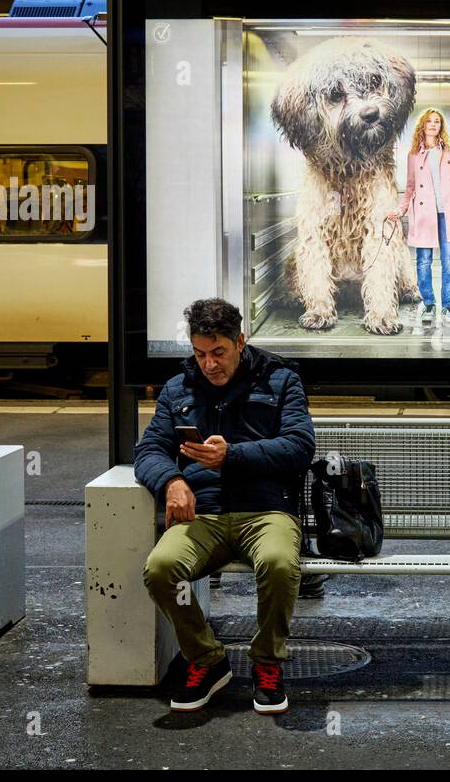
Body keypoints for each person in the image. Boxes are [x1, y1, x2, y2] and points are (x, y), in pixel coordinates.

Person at [135, 297, 315, 715]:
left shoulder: (280, 380)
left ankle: (267, 662)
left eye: (218, 353)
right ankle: (207, 659)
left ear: (240, 341)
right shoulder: (178, 389)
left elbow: (299, 447)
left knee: (279, 564)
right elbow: (149, 451)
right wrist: (172, 481)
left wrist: (233, 455)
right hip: (205, 515)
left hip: (266, 510)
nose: (209, 365)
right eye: (199, 354)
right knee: (161, 569)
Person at [387, 108, 450, 323]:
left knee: (449, 262)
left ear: (440, 127)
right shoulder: (414, 155)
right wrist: (401, 210)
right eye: (429, 121)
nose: (434, 125)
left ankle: (448, 306)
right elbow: (410, 187)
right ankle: (428, 304)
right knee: (423, 261)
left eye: (437, 121)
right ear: (423, 126)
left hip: (449, 214)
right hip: (424, 215)